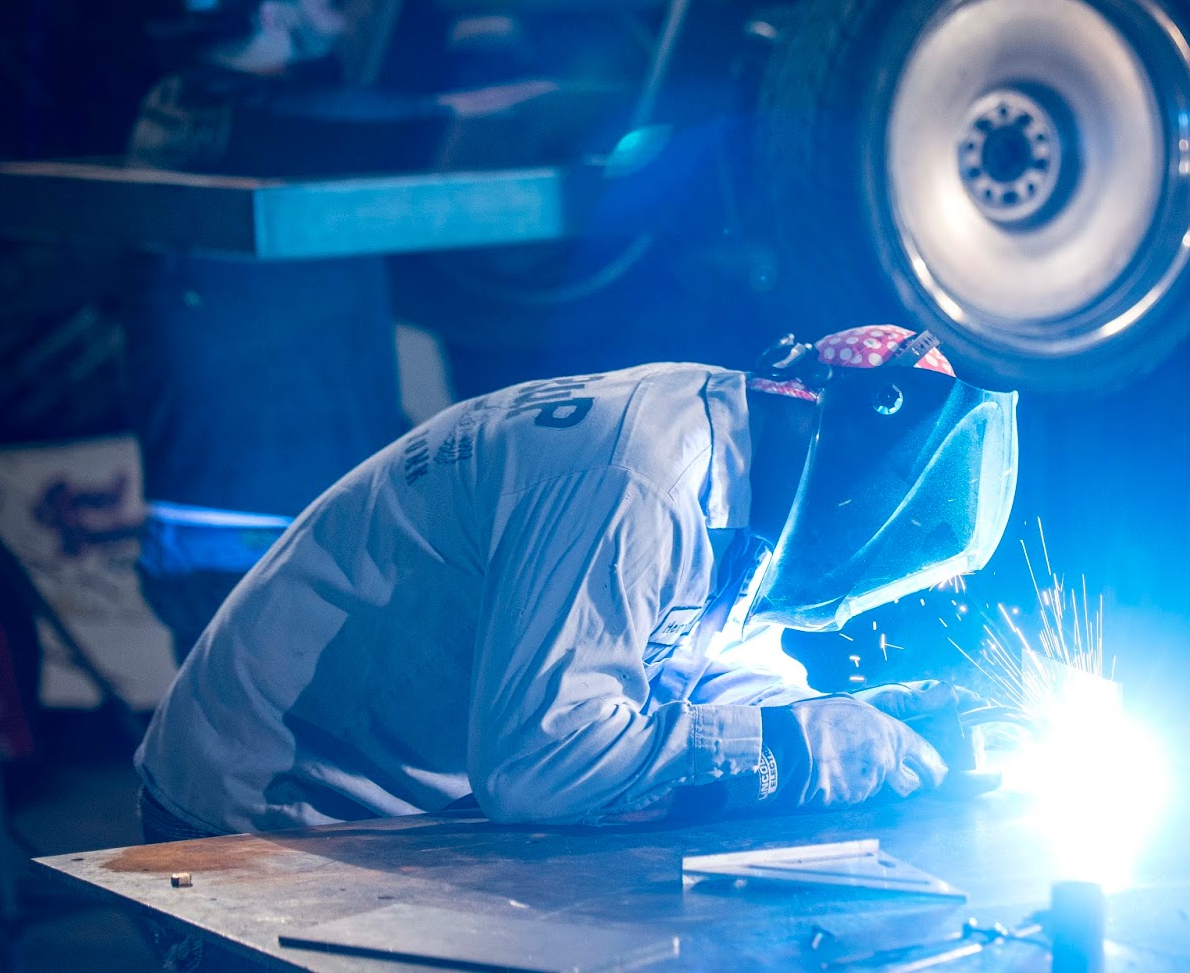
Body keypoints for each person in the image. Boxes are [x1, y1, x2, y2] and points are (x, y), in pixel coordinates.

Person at [134, 325, 1019, 839]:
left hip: (400, 800)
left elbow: (689, 667)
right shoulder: (644, 481)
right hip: (259, 820)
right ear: (837, 473)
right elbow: (541, 761)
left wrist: (863, 718)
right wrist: (797, 748)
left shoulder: (746, 474)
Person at [124, 0, 546, 663]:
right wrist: (564, 100)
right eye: (321, 5)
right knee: (294, 754)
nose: (341, 20)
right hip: (268, 528)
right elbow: (444, 124)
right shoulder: (279, 126)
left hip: (205, 515)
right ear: (275, 17)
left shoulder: (173, 109)